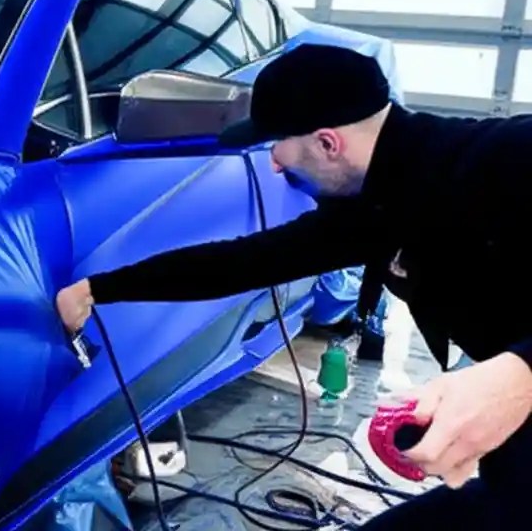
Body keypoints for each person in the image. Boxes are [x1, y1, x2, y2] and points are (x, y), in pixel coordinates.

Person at [55, 42, 532, 528]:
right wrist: (98, 289)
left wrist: (520, 375)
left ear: (327, 144)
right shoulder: (376, 202)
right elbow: (241, 263)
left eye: (276, 143)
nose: (275, 164)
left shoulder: (506, 158)